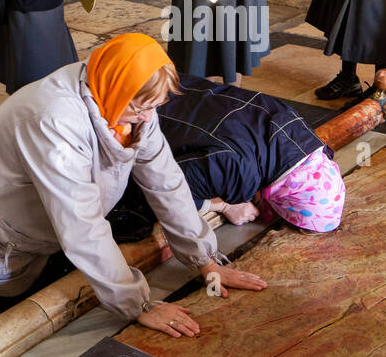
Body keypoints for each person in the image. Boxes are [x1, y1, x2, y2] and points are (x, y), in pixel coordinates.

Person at [0, 33, 266, 338]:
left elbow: (165, 180)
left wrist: (206, 261)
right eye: (140, 108)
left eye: (154, 107)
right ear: (116, 88)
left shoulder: (124, 94)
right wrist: (139, 305)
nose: (147, 117)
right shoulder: (54, 119)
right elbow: (81, 224)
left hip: (13, 217)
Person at [109, 75, 346, 240]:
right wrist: (223, 205)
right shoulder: (238, 173)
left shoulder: (296, 126)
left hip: (154, 81)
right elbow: (158, 189)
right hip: (122, 110)